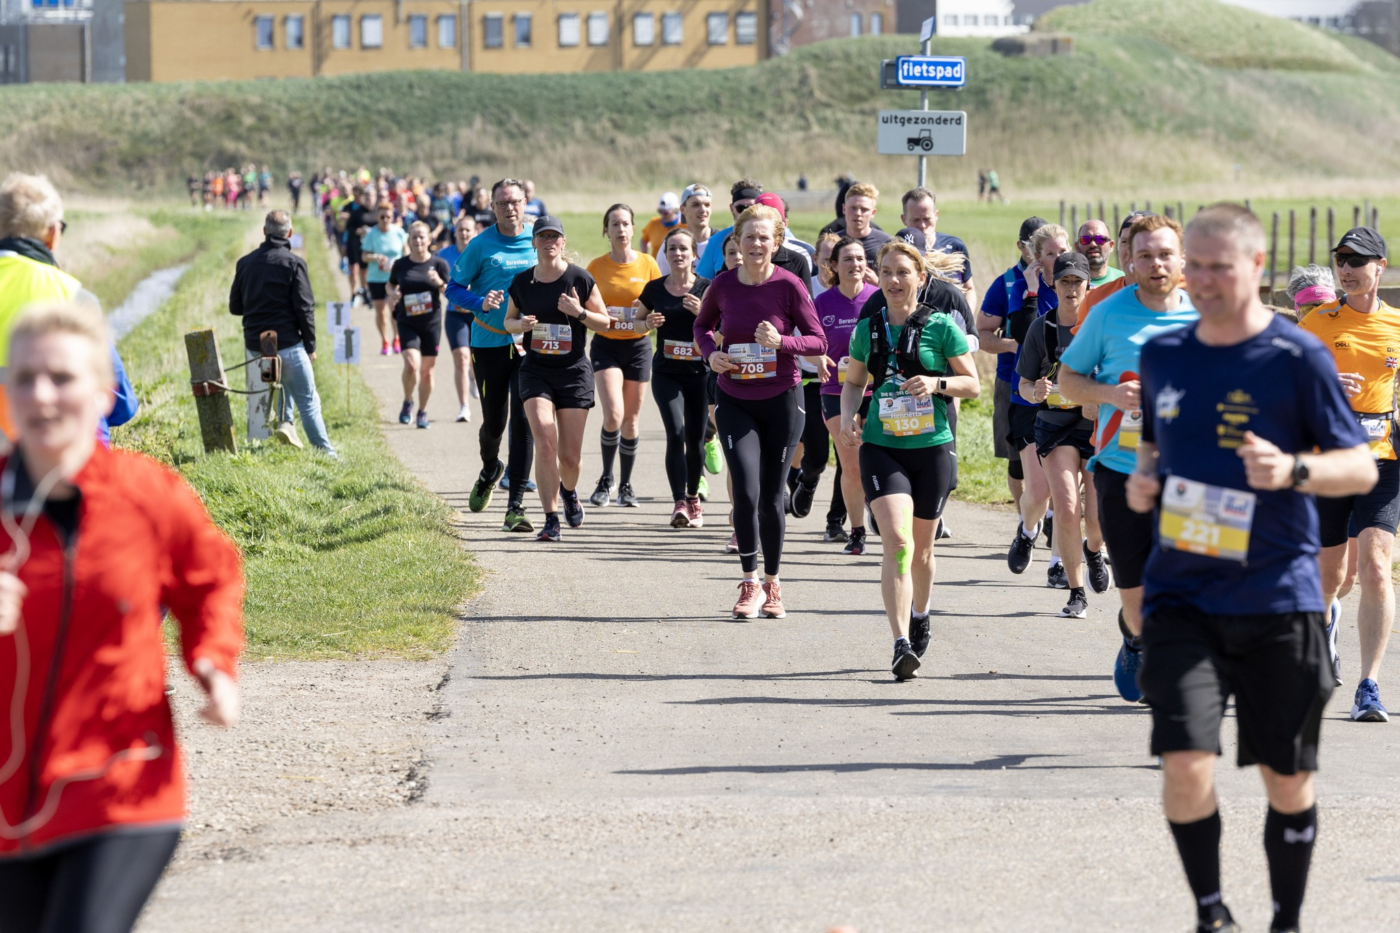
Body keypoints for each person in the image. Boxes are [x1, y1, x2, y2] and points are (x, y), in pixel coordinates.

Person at [1125, 203, 1376, 933]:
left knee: (1288, 779)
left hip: (1278, 595)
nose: (1200, 280)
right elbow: (1152, 441)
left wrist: (1294, 468)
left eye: (1218, 267)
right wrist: (1144, 480)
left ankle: (1286, 919)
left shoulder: (1297, 357)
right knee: (1183, 761)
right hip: (1183, 593)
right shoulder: (1165, 352)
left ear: (1256, 268)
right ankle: (1211, 913)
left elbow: (1358, 465)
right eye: (1192, 265)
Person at [0, 300, 244, 933]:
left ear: (105, 392)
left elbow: (209, 578)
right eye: (24, 378)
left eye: (62, 378)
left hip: (122, 782)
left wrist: (213, 663)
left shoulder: (148, 494)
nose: (42, 395)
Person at [1058, 213, 1198, 702]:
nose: (1156, 264)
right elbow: (1067, 381)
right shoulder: (1107, 313)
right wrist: (1112, 396)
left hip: (1188, 475)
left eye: (1165, 254)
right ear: (1130, 262)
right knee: (1138, 602)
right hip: (1120, 469)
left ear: (1183, 259)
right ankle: (1135, 636)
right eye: (1145, 255)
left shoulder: (1207, 315)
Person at [840, 240, 980, 680]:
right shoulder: (867, 328)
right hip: (883, 447)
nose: (893, 281)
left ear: (921, 278)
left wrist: (936, 385)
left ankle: (921, 614)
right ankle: (900, 642)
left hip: (932, 447)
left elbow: (972, 385)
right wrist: (848, 416)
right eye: (885, 272)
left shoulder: (941, 327)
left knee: (922, 550)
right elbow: (853, 383)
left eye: (903, 273)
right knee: (898, 544)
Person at [694, 204, 826, 619]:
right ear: (736, 241)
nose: (755, 244)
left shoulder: (788, 285)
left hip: (782, 401)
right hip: (735, 400)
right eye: (748, 237)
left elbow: (818, 341)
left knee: (771, 496)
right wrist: (711, 353)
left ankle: (773, 583)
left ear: (777, 242)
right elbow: (701, 326)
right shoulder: (723, 284)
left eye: (763, 237)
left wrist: (781, 343)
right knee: (746, 493)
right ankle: (749, 581)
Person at [1298, 226, 1397, 722]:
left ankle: (1369, 685)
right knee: (1331, 578)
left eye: (1357, 260)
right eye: (1340, 259)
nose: (1346, 268)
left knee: (1376, 565)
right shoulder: (1316, 322)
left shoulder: (1397, 326)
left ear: (1380, 267)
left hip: (1383, 462)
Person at [1016, 252, 1110, 619]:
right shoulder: (1041, 329)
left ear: (1089, 285)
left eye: (1077, 281)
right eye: (1064, 281)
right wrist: (1035, 392)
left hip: (1097, 427)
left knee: (1098, 518)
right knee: (1067, 506)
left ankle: (1094, 549)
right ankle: (1075, 592)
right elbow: (1022, 384)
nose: (1071, 288)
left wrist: (1097, 398)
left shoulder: (1101, 326)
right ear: (1053, 285)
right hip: (1055, 427)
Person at [504, 216, 610, 543]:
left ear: (563, 242)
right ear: (534, 242)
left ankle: (569, 491)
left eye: (555, 236)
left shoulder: (579, 279)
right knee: (545, 441)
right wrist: (518, 325)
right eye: (543, 236)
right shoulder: (522, 282)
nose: (549, 241)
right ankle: (551, 518)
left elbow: (604, 323)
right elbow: (508, 320)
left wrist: (579, 312)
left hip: (573, 373)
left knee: (570, 457)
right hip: (535, 371)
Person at [445, 179, 537, 531]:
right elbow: (453, 288)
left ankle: (516, 506)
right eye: (502, 203)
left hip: (530, 346)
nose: (509, 208)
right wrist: (480, 302)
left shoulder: (537, 239)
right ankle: (489, 468)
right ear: (493, 207)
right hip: (490, 343)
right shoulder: (481, 245)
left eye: (514, 202)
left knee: (525, 420)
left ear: (525, 202)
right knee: (495, 425)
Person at [229, 211, 336, 457]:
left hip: (256, 346)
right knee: (309, 402)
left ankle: (260, 450)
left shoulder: (244, 263)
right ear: (289, 233)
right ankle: (327, 454)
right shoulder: (295, 263)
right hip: (288, 344)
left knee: (260, 399)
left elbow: (235, 307)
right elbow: (305, 309)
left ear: (264, 232)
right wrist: (310, 346)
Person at [1004, 224, 1070, 586]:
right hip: (1028, 398)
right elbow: (1021, 334)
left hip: (1068, 402)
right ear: (1035, 257)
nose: (1058, 261)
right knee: (1040, 490)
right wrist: (1030, 294)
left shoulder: (1079, 290)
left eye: (1063, 252)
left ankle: (1058, 562)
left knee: (1063, 491)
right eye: (1050, 254)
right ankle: (1027, 530)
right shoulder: (1022, 288)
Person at [585, 204, 662, 508]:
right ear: (606, 230)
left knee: (630, 421)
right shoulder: (595, 267)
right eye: (614, 224)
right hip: (606, 345)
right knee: (613, 415)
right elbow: (585, 309)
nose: (620, 229)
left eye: (625, 223)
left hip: (639, 347)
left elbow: (660, 302)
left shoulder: (648, 265)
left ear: (633, 229)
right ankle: (605, 478)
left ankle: (626, 485)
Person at [977, 216, 1049, 528]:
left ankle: (1050, 517)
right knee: (1017, 461)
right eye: (1032, 243)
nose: (1037, 249)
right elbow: (981, 334)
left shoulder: (1068, 280)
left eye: (1042, 244)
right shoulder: (1005, 283)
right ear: (1020, 245)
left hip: (1056, 385)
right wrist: (1012, 346)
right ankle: (1025, 521)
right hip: (1012, 381)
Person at [640, 227, 711, 527]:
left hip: (699, 374)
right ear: (665, 254)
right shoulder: (654, 289)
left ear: (694, 255)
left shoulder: (707, 289)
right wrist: (646, 321)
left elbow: (722, 328)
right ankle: (679, 501)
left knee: (695, 442)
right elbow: (635, 323)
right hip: (667, 372)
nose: (678, 254)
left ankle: (694, 498)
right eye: (672, 249)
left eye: (684, 248)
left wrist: (704, 313)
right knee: (676, 433)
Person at [813, 236, 876, 554]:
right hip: (835, 391)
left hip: (876, 390)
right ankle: (857, 531)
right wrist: (817, 358)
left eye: (860, 258)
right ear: (833, 266)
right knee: (850, 461)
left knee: (874, 458)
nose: (855, 264)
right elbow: (808, 345)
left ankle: (882, 511)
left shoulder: (878, 299)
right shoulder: (821, 303)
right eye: (848, 259)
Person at [387, 222, 450, 430]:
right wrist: (392, 293)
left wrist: (439, 282)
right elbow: (391, 283)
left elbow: (450, 291)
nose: (418, 240)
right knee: (412, 364)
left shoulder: (439, 264)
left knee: (427, 372)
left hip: (431, 323)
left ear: (429, 239)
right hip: (407, 321)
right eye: (414, 237)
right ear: (409, 241)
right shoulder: (401, 264)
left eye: (422, 236)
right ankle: (407, 401)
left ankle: (422, 411)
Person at [1075, 211, 1154, 332]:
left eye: (1139, 241)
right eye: (1125, 241)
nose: (1130, 249)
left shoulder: (1186, 294)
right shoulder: (1094, 300)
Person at [898, 187, 975, 306]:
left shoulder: (955, 247)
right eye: (916, 220)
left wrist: (966, 318)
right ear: (904, 219)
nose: (922, 225)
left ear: (936, 215)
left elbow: (969, 288)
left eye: (927, 219)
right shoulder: (896, 250)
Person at [437, 214, 479, 423]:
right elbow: (432, 275)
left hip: (479, 315)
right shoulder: (444, 255)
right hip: (455, 315)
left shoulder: (482, 253)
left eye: (468, 230)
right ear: (455, 232)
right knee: (461, 357)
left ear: (475, 232)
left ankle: (473, 376)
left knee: (474, 359)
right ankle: (464, 407)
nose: (464, 234)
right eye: (460, 230)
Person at [361, 203, 410, 356]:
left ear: (392, 217)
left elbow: (407, 253)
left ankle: (396, 338)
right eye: (382, 217)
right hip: (376, 278)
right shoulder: (372, 234)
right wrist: (375, 257)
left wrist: (399, 264)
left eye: (388, 217)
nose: (385, 220)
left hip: (394, 278)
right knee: (381, 312)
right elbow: (364, 256)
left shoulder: (399, 232)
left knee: (394, 309)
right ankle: (384, 340)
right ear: (377, 217)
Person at [695, 178, 762, 281]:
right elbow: (700, 283)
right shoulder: (716, 241)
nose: (746, 213)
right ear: (732, 208)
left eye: (752, 207)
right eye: (741, 208)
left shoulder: (773, 239)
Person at [659, 184, 715, 276]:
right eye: (696, 205)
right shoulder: (670, 245)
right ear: (683, 209)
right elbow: (664, 283)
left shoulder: (722, 242)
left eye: (707, 205)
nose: (703, 210)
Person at [340, 187, 375, 305]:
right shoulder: (357, 212)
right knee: (355, 269)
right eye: (367, 198)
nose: (369, 200)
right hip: (355, 244)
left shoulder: (378, 213)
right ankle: (354, 293)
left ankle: (366, 292)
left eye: (371, 197)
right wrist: (359, 231)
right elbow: (348, 228)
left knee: (367, 271)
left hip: (373, 247)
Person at [1077, 219, 1123, 288]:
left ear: (1111, 245)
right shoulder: (1069, 283)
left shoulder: (1124, 280)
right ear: (1077, 247)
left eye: (1100, 239)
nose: (1093, 244)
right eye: (1086, 240)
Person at [641, 192, 683, 257]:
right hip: (656, 266)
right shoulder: (653, 223)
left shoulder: (684, 225)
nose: (662, 215)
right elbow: (644, 239)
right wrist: (644, 255)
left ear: (675, 210)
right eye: (660, 211)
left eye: (666, 212)